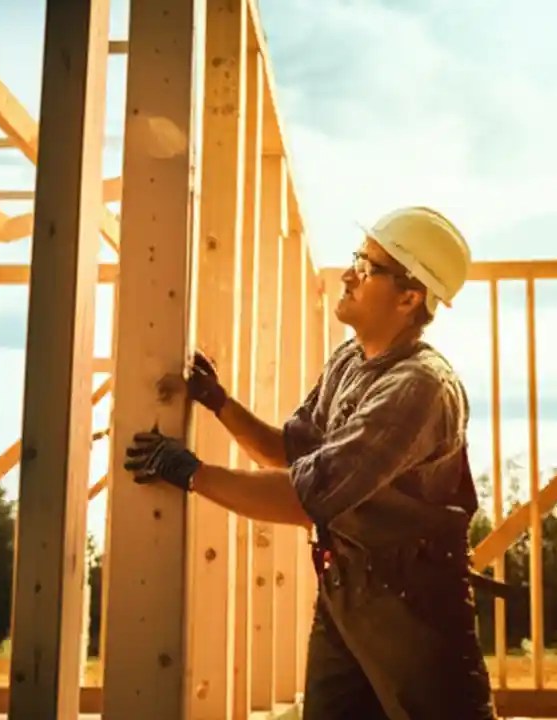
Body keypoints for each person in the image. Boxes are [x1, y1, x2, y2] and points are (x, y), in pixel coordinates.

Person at [125, 206, 496, 719]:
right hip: (346, 590)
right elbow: (289, 451)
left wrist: (193, 474)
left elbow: (307, 498)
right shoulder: (351, 360)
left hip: (416, 607)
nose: (349, 274)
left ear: (409, 297)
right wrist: (219, 403)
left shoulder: (418, 388)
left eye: (367, 269)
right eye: (356, 259)